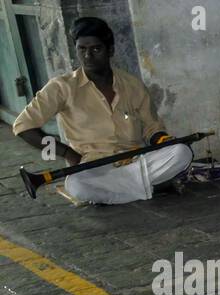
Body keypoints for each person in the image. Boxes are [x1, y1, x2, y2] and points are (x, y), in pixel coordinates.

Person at [11, 17, 193, 205]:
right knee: (77, 185)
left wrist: (162, 139)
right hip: (93, 166)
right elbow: (23, 126)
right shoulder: (61, 87)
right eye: (82, 49)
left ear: (110, 50)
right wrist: (67, 154)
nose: (88, 56)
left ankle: (121, 193)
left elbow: (152, 127)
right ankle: (154, 188)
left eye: (96, 49)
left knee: (181, 153)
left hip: (135, 161)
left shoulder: (132, 85)